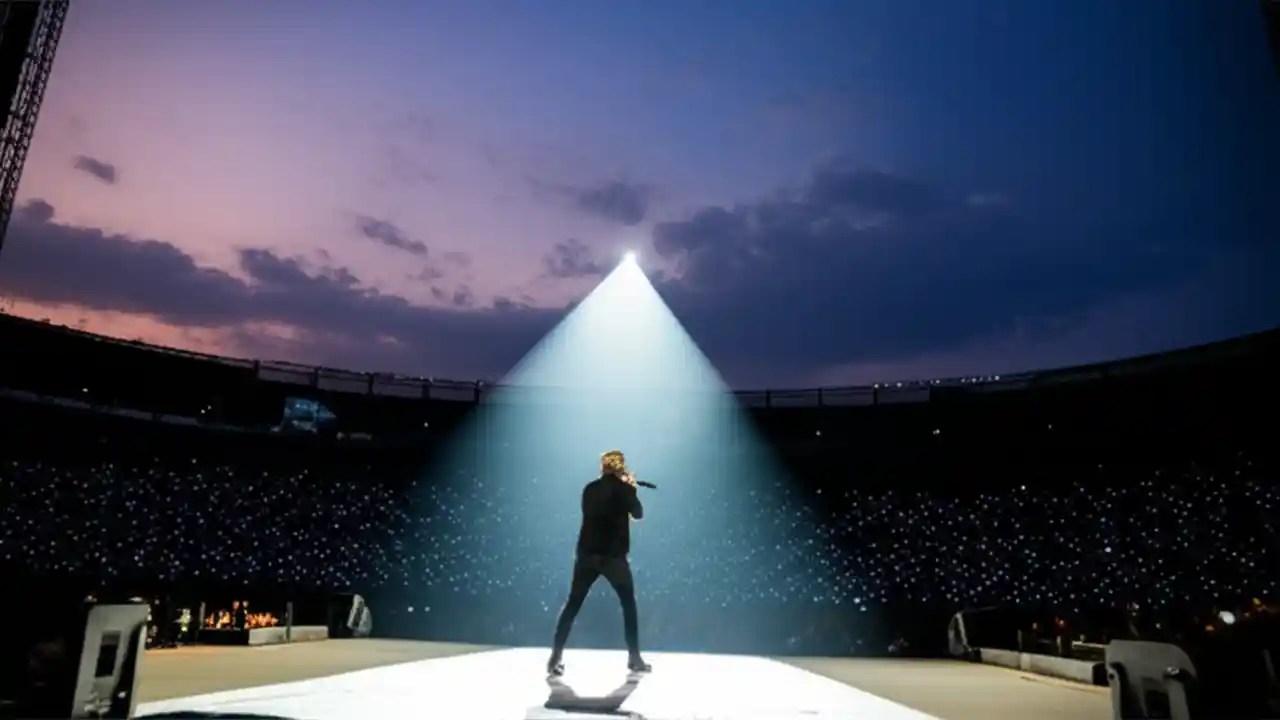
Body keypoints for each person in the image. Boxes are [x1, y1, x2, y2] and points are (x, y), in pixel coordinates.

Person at [547, 450, 651, 676]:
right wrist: (631, 490)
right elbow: (639, 514)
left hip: (587, 554)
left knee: (572, 604)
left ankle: (555, 657)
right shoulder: (625, 490)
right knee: (628, 605)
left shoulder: (589, 489)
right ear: (621, 467)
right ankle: (634, 657)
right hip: (613, 557)